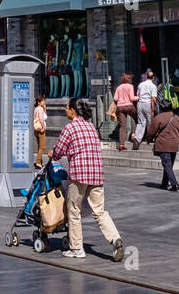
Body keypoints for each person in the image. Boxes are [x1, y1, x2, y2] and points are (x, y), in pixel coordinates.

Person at [50, 97, 124, 262]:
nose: (65, 110)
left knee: (74, 209)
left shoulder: (70, 128)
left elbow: (58, 150)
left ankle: (76, 248)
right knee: (99, 211)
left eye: (67, 108)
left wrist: (53, 154)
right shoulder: (91, 127)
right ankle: (115, 239)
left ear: (73, 111)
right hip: (96, 173)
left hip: (79, 174)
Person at [144, 97, 179, 191]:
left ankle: (174, 184)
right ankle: (164, 183)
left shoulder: (158, 118)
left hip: (163, 145)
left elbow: (151, 131)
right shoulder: (176, 118)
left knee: (167, 165)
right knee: (168, 165)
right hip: (174, 145)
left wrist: (148, 139)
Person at [132, 69, 158, 149]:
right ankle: (150, 138)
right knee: (150, 122)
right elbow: (153, 99)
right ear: (153, 78)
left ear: (146, 77)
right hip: (148, 104)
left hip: (140, 104)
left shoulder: (140, 85)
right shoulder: (153, 86)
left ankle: (137, 139)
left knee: (140, 122)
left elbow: (138, 95)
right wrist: (153, 109)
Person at [112, 73, 138, 151]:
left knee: (123, 125)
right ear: (129, 79)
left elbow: (115, 98)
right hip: (129, 106)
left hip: (120, 107)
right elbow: (132, 98)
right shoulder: (130, 86)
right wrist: (139, 97)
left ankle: (121, 144)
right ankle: (133, 134)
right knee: (138, 119)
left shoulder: (119, 87)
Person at [32, 94, 48, 169]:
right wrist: (43, 127)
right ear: (39, 102)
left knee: (39, 146)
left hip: (36, 129)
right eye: (42, 101)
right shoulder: (40, 109)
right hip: (40, 129)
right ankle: (38, 162)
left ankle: (39, 161)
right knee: (42, 146)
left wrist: (45, 108)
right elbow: (41, 119)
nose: (44, 102)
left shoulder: (36, 108)